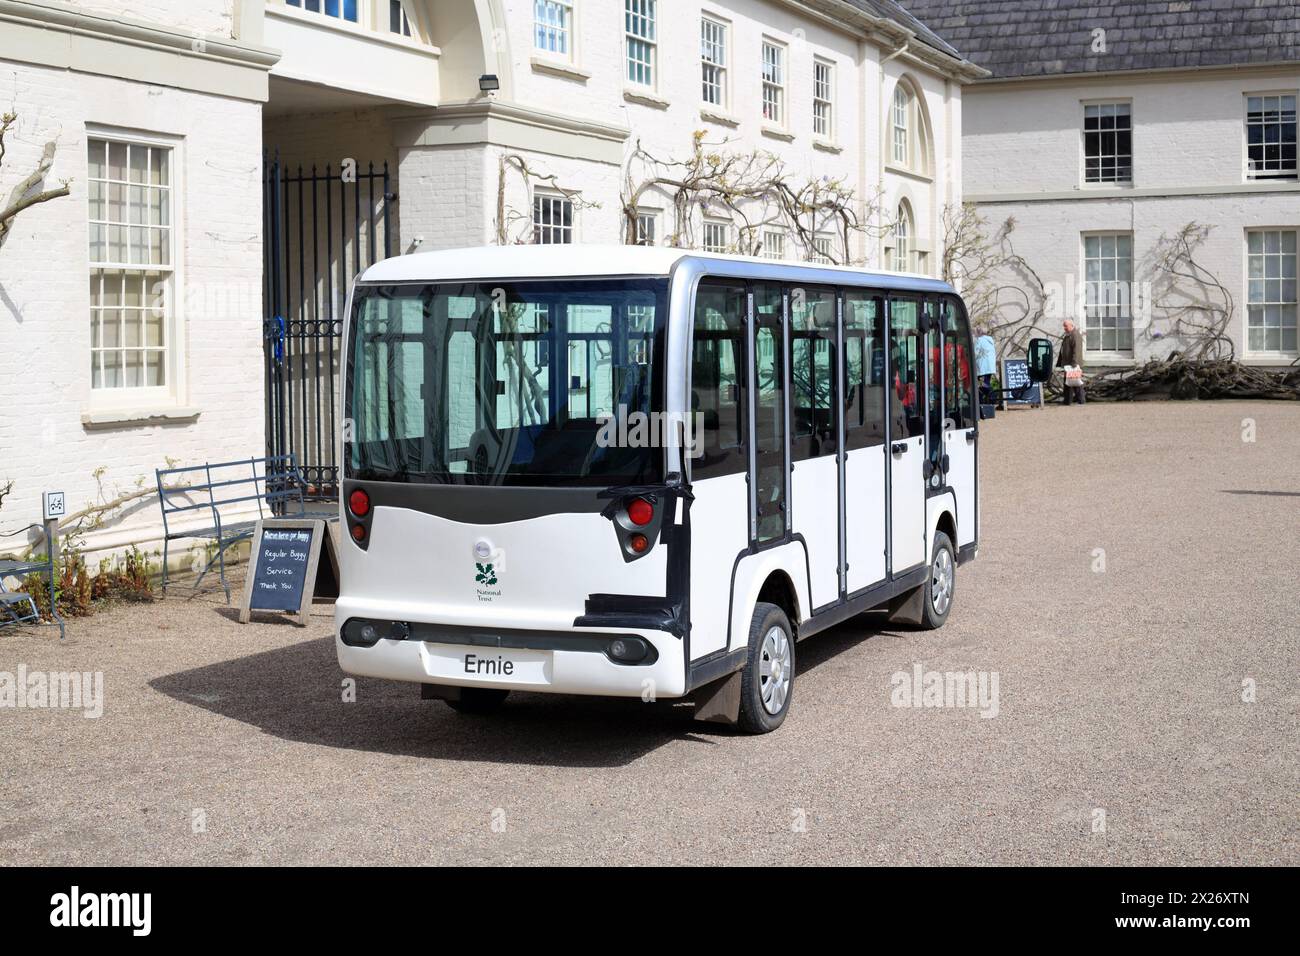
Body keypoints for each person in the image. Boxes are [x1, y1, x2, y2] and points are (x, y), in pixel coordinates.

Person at [1057, 319, 1086, 406]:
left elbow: (1076, 350)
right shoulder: (1068, 335)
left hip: (1073, 364)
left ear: (1071, 325)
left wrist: (1074, 363)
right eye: (1064, 326)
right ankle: (1067, 401)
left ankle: (1081, 400)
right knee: (1068, 382)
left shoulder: (1075, 335)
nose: (1064, 328)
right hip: (1068, 364)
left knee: (1076, 382)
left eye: (1066, 326)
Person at [973, 326, 996, 406]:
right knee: (986, 383)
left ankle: (990, 398)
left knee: (980, 385)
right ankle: (989, 400)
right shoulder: (990, 340)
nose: (975, 334)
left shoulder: (980, 340)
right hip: (989, 367)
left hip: (982, 367)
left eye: (975, 332)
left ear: (979, 333)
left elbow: (975, 353)